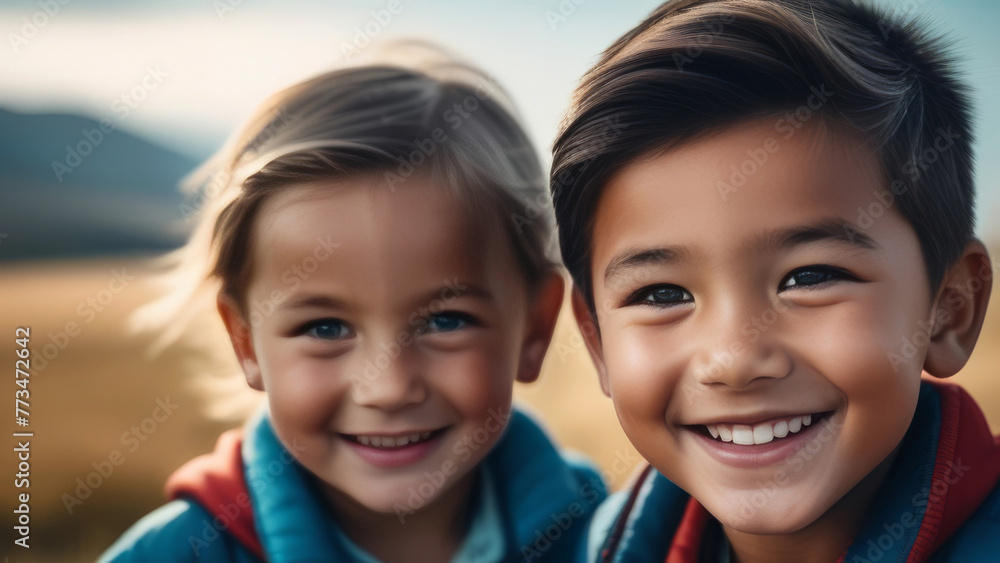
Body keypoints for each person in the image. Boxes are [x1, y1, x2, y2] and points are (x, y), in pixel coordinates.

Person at [100, 41, 606, 562]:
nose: (386, 388)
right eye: (325, 328)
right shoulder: (174, 554)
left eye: (446, 320)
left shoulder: (612, 540)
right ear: (244, 341)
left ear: (535, 328)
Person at [549, 1, 999, 561]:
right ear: (597, 343)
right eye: (662, 294)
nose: (734, 361)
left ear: (950, 307)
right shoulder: (595, 547)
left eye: (809, 277)